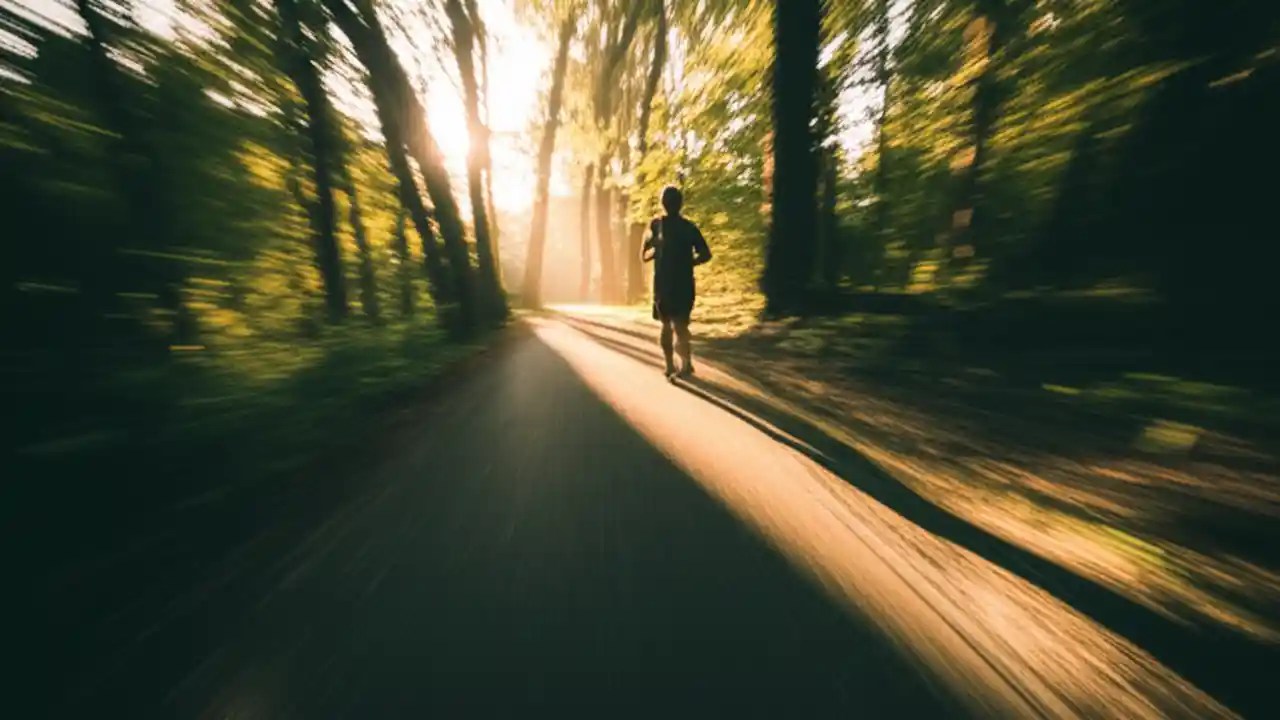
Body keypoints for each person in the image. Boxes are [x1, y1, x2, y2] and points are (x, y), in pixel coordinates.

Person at [642, 186, 711, 378]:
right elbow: (706, 254)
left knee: (666, 325)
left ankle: (670, 365)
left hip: (663, 285)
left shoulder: (656, 226)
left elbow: (644, 255)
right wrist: (689, 262)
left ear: (663, 203)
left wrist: (655, 249)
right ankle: (685, 364)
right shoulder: (689, 228)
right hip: (684, 284)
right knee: (681, 326)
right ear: (681, 204)